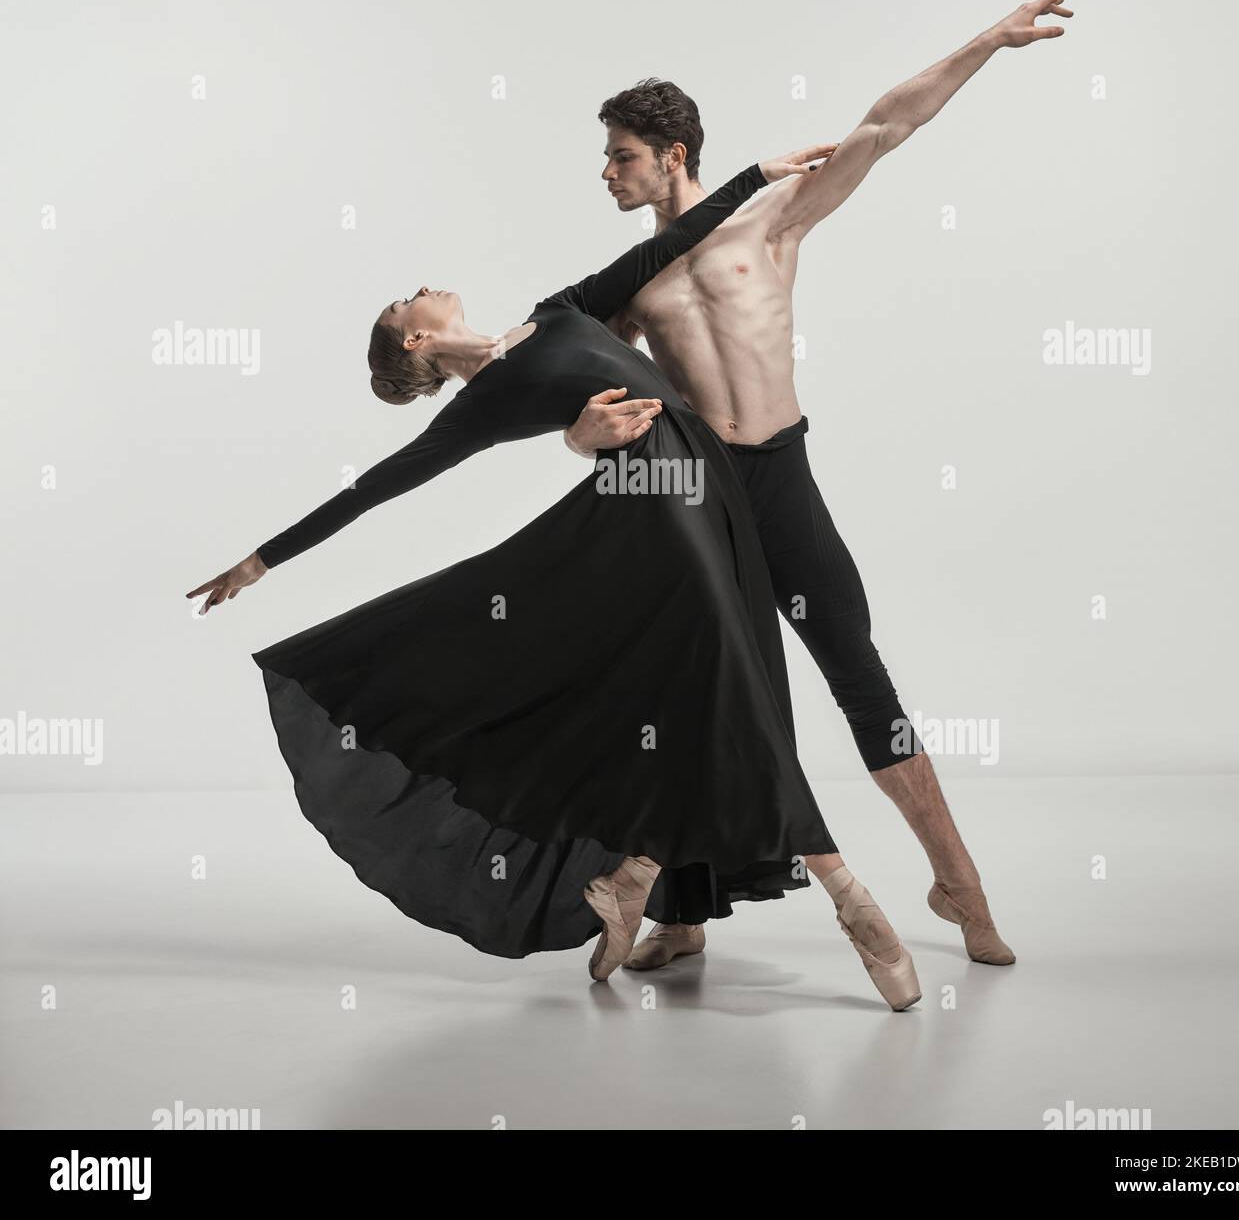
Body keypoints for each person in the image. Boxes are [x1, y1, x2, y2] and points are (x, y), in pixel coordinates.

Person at [186, 149, 922, 1010]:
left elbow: (667, 245)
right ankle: (854, 903)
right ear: (416, 338)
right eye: (402, 301)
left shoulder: (558, 311)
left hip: (711, 487)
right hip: (656, 505)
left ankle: (635, 871)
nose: (418, 284)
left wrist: (756, 175)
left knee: (720, 687)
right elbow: (372, 488)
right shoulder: (479, 406)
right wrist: (259, 559)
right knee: (738, 688)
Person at [563, 0, 1073, 971]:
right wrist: (586, 434)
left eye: (620, 155)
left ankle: (957, 881)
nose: (606, 172)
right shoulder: (628, 284)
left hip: (780, 483)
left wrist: (990, 39)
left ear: (672, 156)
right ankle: (680, 914)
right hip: (699, 500)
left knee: (855, 671)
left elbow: (887, 125)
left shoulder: (769, 222)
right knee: (687, 696)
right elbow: (579, 395)